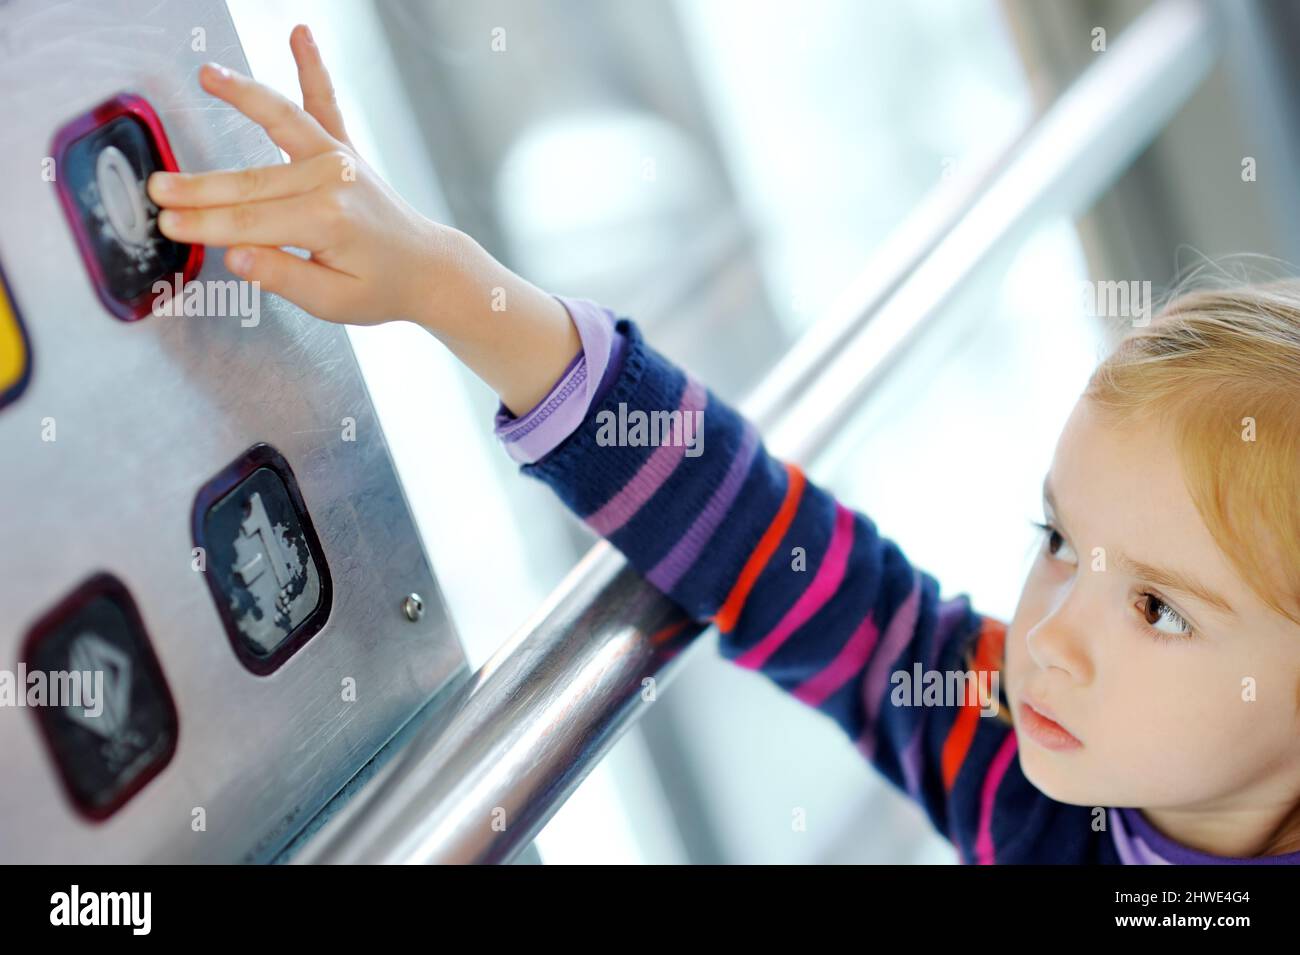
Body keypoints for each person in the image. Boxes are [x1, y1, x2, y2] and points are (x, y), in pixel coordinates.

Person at [148, 25, 1300, 863]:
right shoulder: (1019, 759)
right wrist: (450, 290)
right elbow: (769, 544)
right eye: (1058, 538)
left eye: (1159, 608)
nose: (1047, 639)